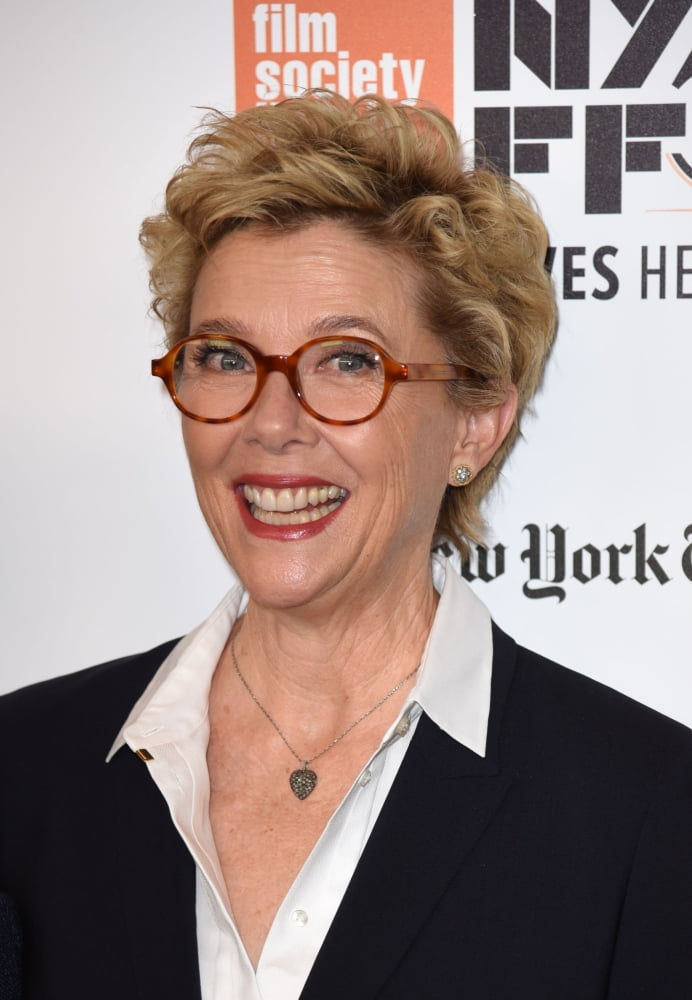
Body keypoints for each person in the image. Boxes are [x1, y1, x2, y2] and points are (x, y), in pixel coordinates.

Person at [1, 93, 691, 1000]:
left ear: (475, 423)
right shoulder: (23, 770)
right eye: (225, 358)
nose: (269, 423)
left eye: (348, 361)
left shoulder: (648, 811)